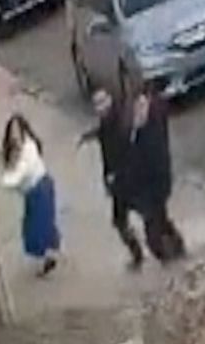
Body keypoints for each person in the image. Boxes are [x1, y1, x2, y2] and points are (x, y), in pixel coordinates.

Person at [78, 89, 145, 270]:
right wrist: (89, 136)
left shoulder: (119, 124)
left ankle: (157, 244)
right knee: (121, 220)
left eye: (102, 102)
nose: (99, 107)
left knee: (138, 215)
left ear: (110, 100)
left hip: (126, 179)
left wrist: (115, 175)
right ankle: (138, 253)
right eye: (96, 104)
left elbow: (124, 151)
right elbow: (102, 133)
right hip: (118, 181)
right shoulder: (107, 122)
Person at [125, 81, 185, 263]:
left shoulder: (151, 130)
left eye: (142, 106)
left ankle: (169, 258)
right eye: (137, 107)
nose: (139, 111)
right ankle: (177, 249)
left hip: (154, 186)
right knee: (161, 221)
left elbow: (149, 160)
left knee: (153, 231)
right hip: (149, 187)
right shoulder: (142, 128)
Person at [0, 113, 61, 276]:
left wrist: (5, 181)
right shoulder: (15, 151)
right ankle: (50, 253)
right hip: (32, 193)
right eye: (12, 132)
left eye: (17, 132)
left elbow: (20, 173)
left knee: (38, 227)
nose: (15, 136)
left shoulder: (29, 148)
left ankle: (47, 258)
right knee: (35, 226)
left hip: (41, 189)